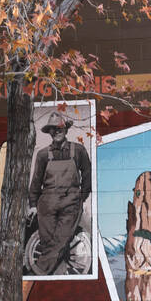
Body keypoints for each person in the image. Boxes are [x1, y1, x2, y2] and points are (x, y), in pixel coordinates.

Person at [27, 114, 92, 275]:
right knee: (48, 243)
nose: (57, 132)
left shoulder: (78, 150)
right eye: (53, 129)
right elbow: (36, 181)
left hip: (71, 202)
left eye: (59, 128)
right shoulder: (43, 154)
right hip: (47, 204)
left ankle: (36, 273)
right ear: (49, 132)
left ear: (65, 129)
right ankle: (52, 276)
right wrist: (33, 205)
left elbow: (88, 174)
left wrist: (81, 197)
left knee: (60, 241)